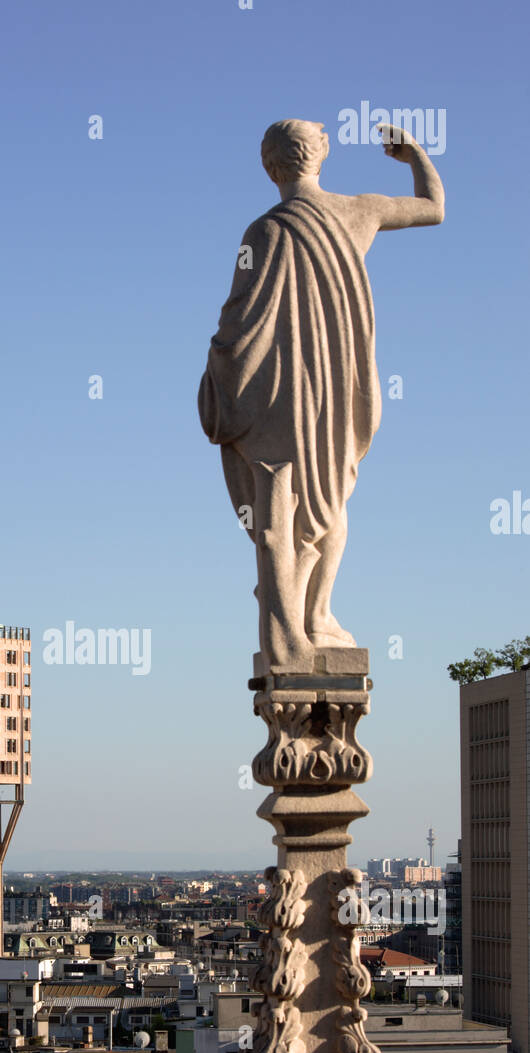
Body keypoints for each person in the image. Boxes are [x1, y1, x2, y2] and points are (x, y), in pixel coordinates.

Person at [198, 118, 444, 666]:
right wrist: (415, 154)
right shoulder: (360, 210)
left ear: (269, 167)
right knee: (330, 495)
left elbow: (238, 322)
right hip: (339, 387)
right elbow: (433, 206)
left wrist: (219, 372)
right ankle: (315, 614)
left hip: (282, 392)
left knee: (289, 501)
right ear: (321, 155)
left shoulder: (261, 233)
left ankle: (304, 613)